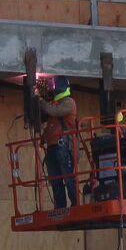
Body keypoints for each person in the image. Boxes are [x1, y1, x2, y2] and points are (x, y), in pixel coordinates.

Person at [35, 75, 78, 209]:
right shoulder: (56, 103)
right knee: (55, 180)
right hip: (53, 147)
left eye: (53, 85)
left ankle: (76, 205)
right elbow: (50, 125)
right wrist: (43, 139)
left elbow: (52, 111)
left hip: (63, 146)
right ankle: (60, 207)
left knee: (68, 178)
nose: (51, 88)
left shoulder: (68, 103)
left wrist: (39, 100)